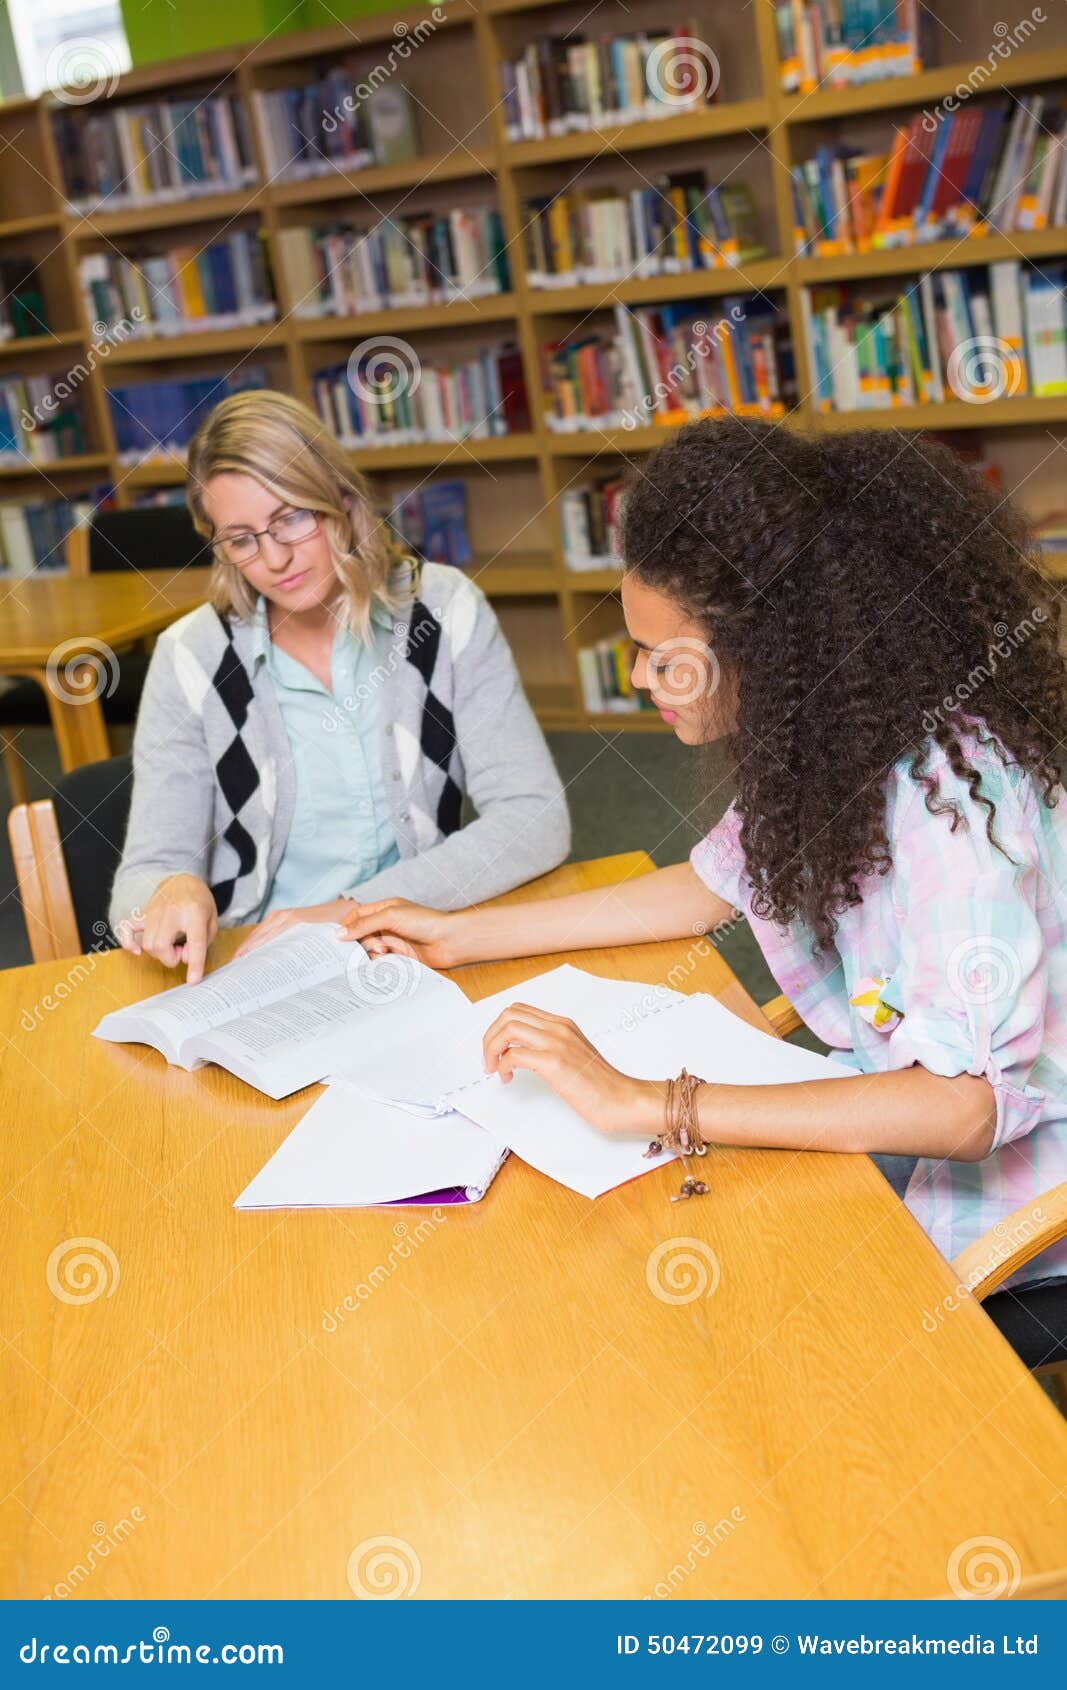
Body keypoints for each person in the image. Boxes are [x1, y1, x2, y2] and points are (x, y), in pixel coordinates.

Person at [342, 415, 1067, 1315]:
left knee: (674, 1291)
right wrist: (456, 935)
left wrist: (652, 1102)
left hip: (1014, 1198)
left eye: (662, 656)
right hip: (898, 1115)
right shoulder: (837, 731)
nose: (640, 678)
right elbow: (709, 881)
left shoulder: (947, 808)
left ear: (772, 649)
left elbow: (963, 1109)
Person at [110, 389, 569, 981]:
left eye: (292, 518)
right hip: (262, 965)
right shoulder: (190, 658)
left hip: (413, 939)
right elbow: (143, 877)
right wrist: (170, 888)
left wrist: (352, 914)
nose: (274, 558)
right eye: (242, 539)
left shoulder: (444, 610)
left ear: (342, 502)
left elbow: (535, 818)